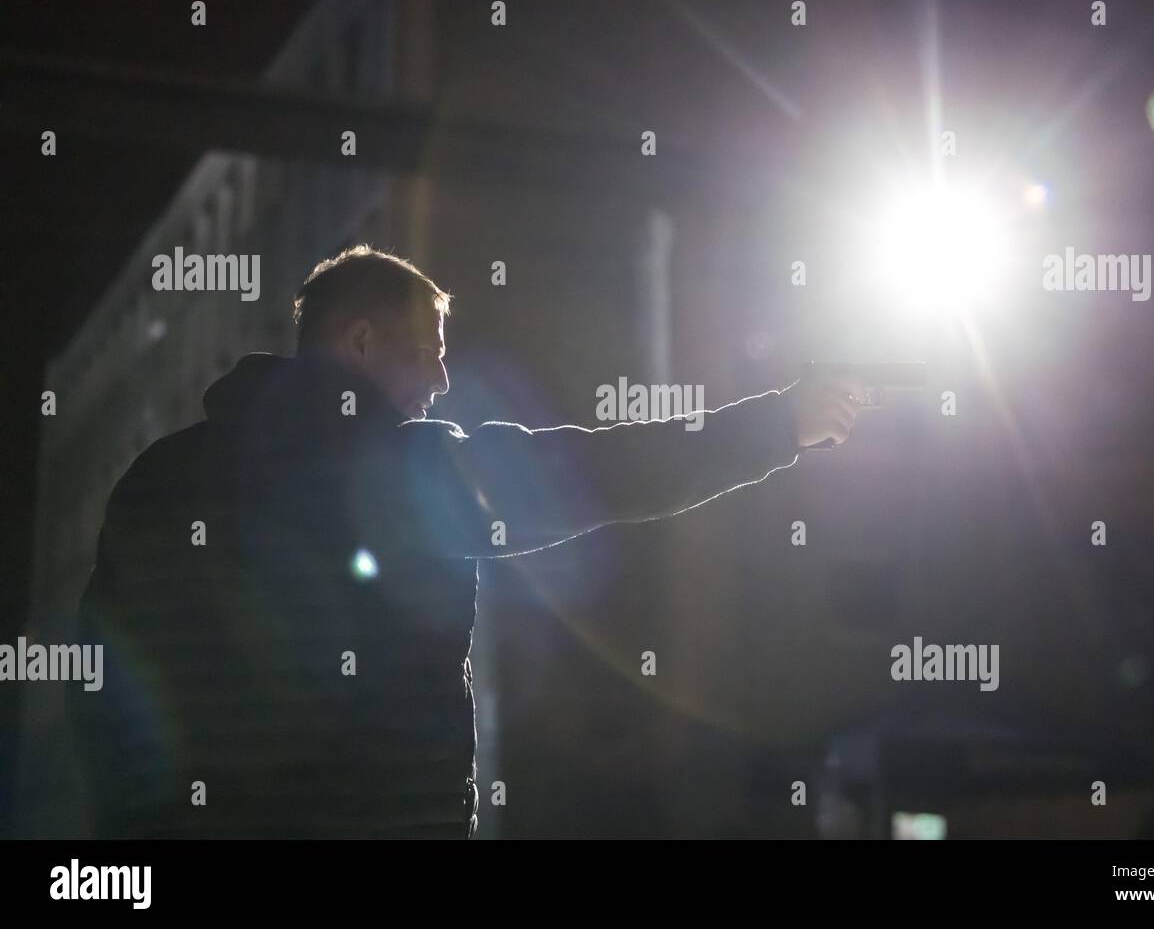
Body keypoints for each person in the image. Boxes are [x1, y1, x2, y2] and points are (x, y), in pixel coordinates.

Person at [69, 244, 872, 838]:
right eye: (429, 354)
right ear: (358, 344)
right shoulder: (407, 470)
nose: (442, 382)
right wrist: (780, 424)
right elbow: (606, 470)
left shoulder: (155, 480)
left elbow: (101, 686)